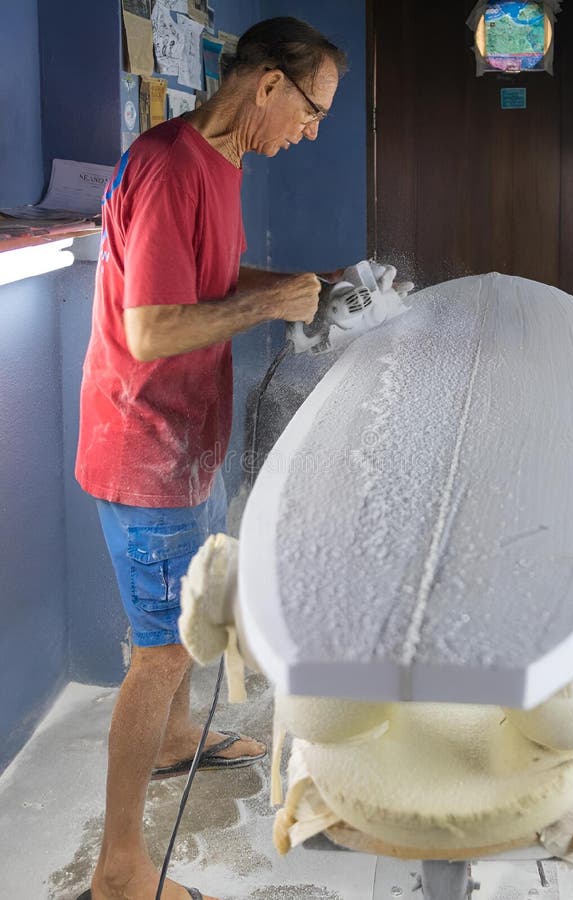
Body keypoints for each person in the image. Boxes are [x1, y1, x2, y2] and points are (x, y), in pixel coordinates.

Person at [74, 17, 346, 900]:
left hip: (186, 436)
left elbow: (203, 285)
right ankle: (118, 870)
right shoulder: (168, 167)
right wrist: (269, 310)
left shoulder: (222, 165)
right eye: (311, 111)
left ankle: (178, 741)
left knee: (182, 626)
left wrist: (301, 287)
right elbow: (149, 329)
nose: (310, 132)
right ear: (268, 84)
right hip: (146, 445)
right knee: (159, 654)